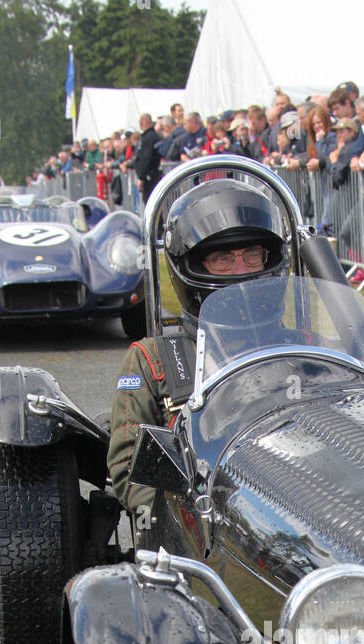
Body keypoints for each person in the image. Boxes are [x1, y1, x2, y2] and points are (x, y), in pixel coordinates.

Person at [107, 179, 289, 515]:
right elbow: (130, 469)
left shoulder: (303, 349)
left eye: (252, 256)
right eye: (222, 259)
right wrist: (190, 523)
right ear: (192, 266)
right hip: (207, 526)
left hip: (299, 509)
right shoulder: (153, 360)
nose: (242, 271)